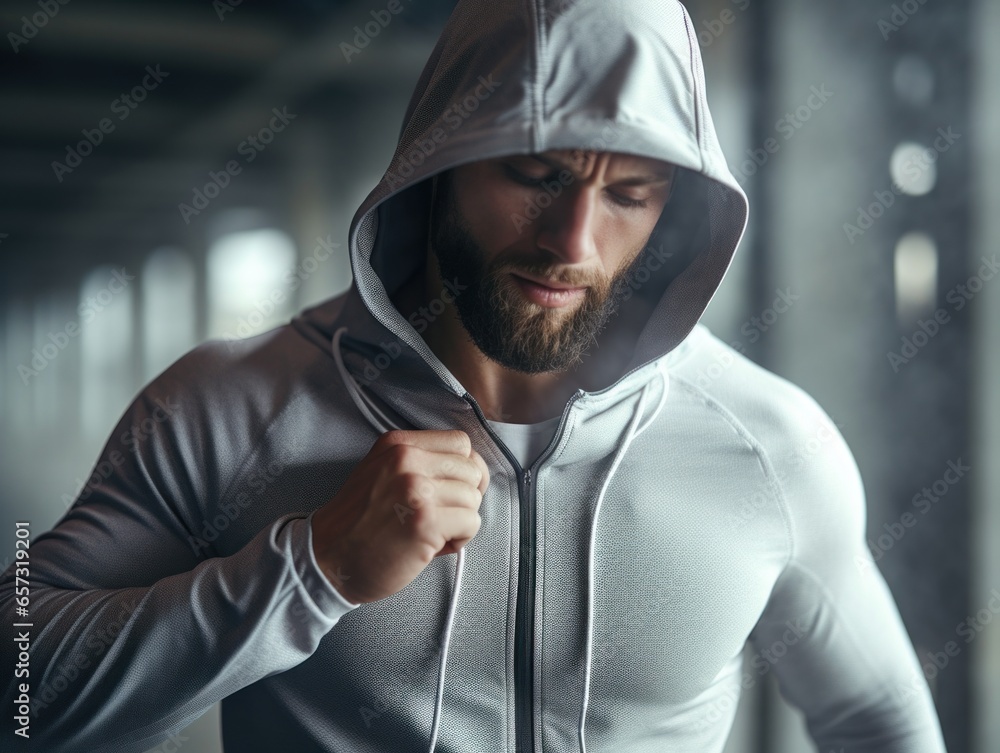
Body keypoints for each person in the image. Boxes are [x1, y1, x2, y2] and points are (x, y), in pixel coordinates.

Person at [0, 0, 949, 751]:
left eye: (628, 195)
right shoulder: (224, 406)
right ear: (437, 164)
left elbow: (879, 725)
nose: (574, 243)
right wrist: (310, 570)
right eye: (535, 176)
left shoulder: (769, 443)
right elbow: (19, 692)